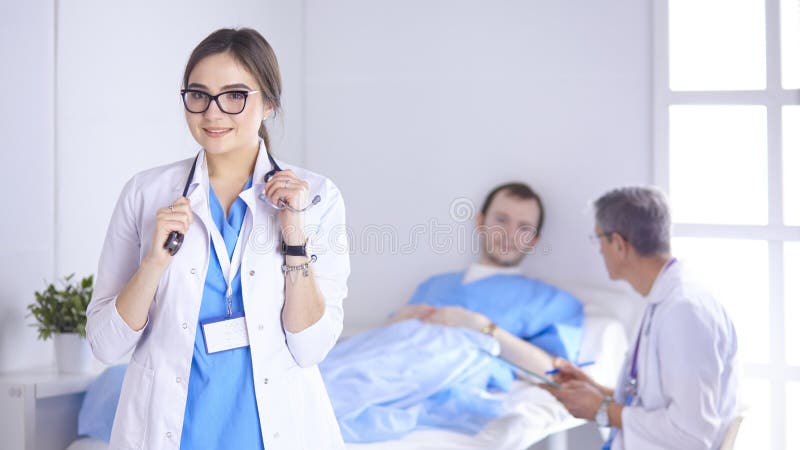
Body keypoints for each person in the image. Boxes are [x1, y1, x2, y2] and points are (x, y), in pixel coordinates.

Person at [86, 28, 349, 450]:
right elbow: (105, 344)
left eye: (235, 95)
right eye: (199, 94)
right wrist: (154, 263)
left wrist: (295, 237)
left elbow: (310, 346)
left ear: (269, 103)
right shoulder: (145, 193)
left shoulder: (316, 196)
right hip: (174, 431)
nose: (212, 112)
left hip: (275, 431)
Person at [543, 186, 739, 450]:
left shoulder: (684, 312)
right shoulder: (664, 298)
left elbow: (692, 434)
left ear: (619, 244)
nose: (599, 249)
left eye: (598, 237)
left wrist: (603, 409)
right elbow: (656, 403)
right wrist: (594, 389)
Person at [391, 182, 584, 375]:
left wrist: (479, 325)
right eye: (501, 220)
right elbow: (384, 343)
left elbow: (556, 374)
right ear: (480, 222)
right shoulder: (434, 285)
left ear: (534, 240)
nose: (509, 235)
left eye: (524, 228)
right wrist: (397, 321)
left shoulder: (552, 302)